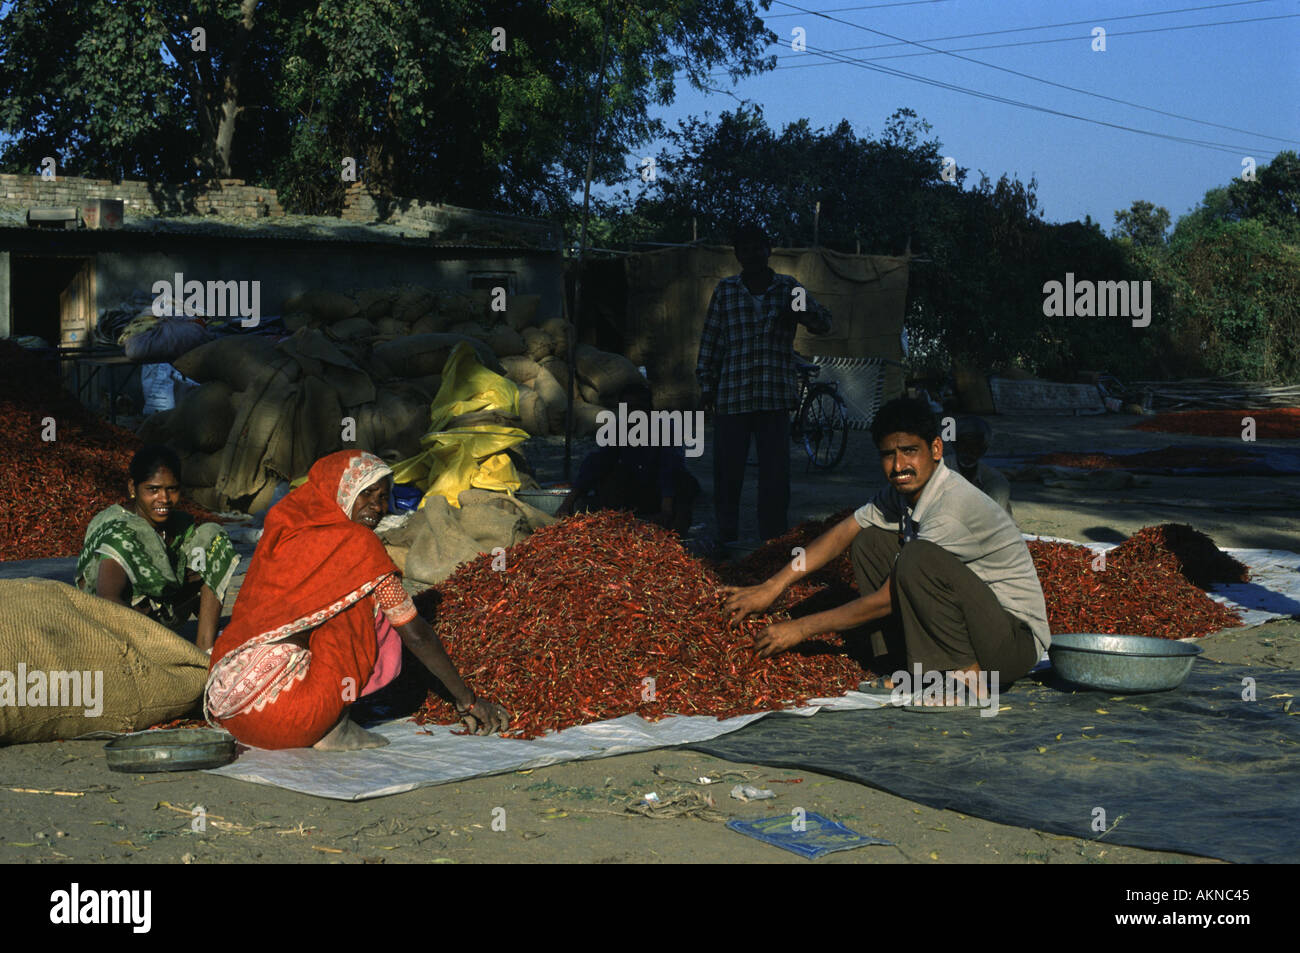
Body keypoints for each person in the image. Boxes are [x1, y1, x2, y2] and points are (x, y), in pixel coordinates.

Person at [720, 397, 1048, 702]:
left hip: (1011, 644)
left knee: (916, 558)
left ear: (936, 449)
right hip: (976, 624)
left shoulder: (950, 508)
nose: (898, 465)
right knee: (869, 539)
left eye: (909, 451)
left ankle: (967, 681)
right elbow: (843, 533)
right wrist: (772, 586)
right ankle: (910, 666)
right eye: (888, 454)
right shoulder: (906, 492)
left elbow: (885, 600)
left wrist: (801, 628)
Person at [204, 450, 509, 751]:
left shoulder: (287, 527)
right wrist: (466, 699)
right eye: (367, 494)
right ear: (341, 492)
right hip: (289, 720)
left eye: (382, 498)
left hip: (226, 706)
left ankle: (330, 707)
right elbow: (414, 633)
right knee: (362, 597)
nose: (376, 507)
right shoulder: (358, 546)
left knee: (339, 597)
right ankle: (334, 726)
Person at [696, 222, 833, 543]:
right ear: (738, 255)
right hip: (732, 398)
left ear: (768, 250)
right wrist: (706, 384)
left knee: (775, 477)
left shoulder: (788, 288)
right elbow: (712, 340)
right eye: (746, 249)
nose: (753, 254)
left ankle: (772, 543)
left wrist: (798, 311)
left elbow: (824, 322)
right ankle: (726, 536)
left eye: (759, 247)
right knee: (728, 473)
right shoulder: (726, 291)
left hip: (774, 398)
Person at [76, 445, 237, 653]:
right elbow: (108, 599)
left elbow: (203, 567)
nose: (164, 499)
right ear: (133, 488)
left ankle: (205, 649)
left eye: (172, 489)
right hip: (120, 627)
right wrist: (157, 645)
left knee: (212, 536)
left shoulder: (174, 523)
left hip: (164, 610)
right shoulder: (122, 532)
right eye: (153, 489)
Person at [556, 385, 700, 535]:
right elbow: (596, 463)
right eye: (627, 408)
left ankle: (673, 529)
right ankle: (616, 521)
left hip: (662, 494)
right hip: (637, 491)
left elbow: (670, 468)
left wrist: (666, 510)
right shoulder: (620, 430)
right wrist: (567, 503)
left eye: (637, 408)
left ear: (649, 409)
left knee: (685, 482)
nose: (632, 413)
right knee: (610, 476)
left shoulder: (666, 429)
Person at [950, 416, 1012, 517]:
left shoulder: (996, 482)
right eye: (963, 444)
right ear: (955, 445)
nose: (968, 450)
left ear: (983, 449)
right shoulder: (938, 470)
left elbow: (992, 522)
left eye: (975, 446)